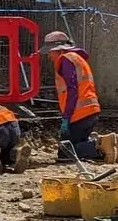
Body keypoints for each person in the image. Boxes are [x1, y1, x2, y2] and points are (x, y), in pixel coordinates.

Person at [41, 30, 111, 163]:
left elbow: (72, 90)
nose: (49, 55)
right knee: (77, 146)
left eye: (51, 51)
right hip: (91, 111)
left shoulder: (66, 60)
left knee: (65, 152)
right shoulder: (78, 59)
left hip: (79, 114)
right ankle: (98, 146)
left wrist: (67, 116)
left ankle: (99, 145)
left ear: (60, 50)